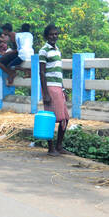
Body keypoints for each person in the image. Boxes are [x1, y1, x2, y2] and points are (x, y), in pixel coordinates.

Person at [38, 24, 69, 156]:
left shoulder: (57, 50)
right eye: (51, 34)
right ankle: (51, 148)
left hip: (58, 87)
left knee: (65, 118)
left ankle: (59, 146)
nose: (54, 36)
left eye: (56, 34)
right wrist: (45, 93)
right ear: (46, 36)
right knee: (51, 118)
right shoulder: (43, 50)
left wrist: (63, 88)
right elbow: (42, 72)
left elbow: (58, 72)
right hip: (50, 87)